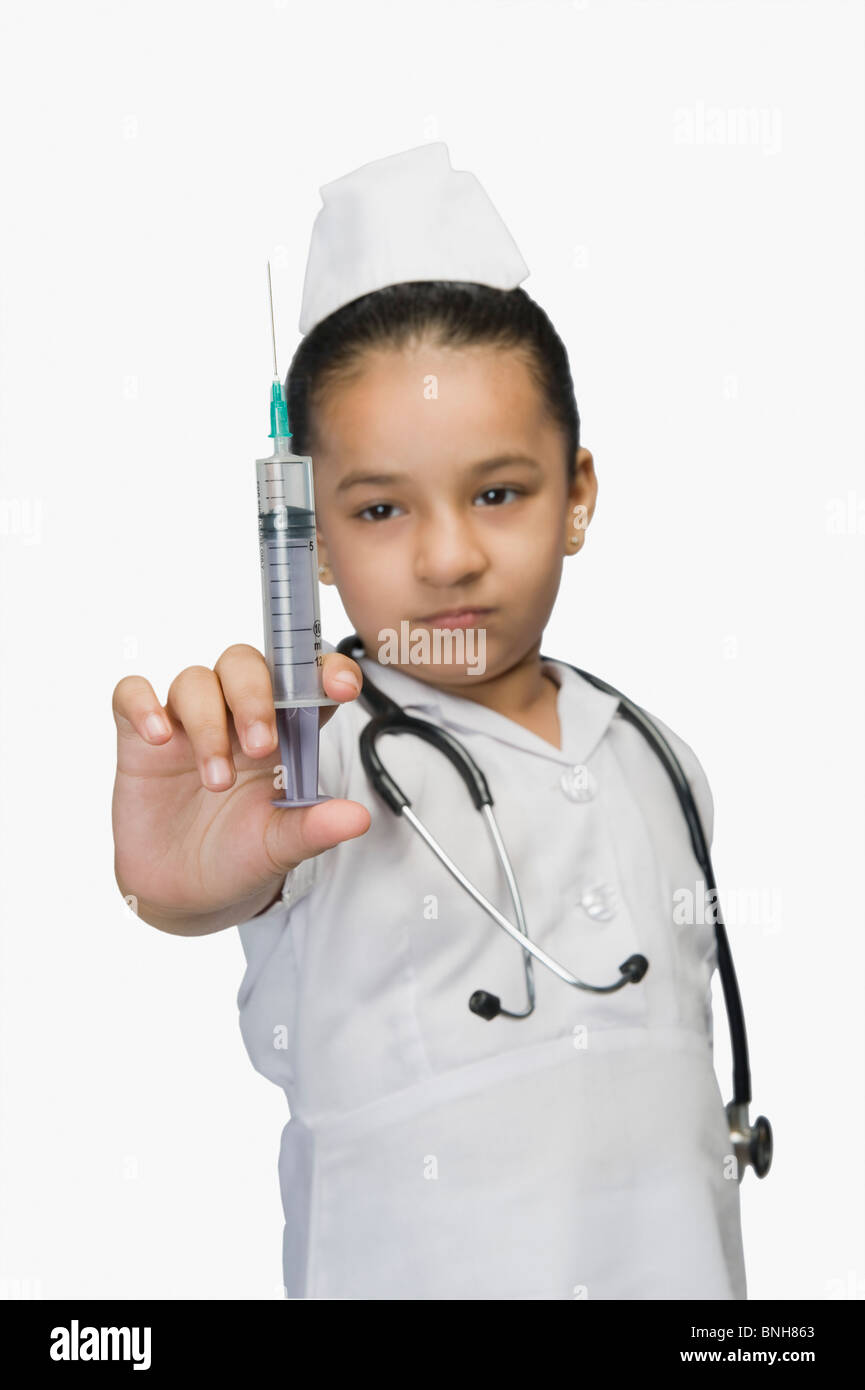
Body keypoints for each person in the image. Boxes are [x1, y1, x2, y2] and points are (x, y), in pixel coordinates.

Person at [111, 142, 747, 1300]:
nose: (450, 556)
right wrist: (177, 883)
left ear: (579, 494)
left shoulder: (661, 761)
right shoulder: (299, 761)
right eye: (380, 507)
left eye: (497, 492)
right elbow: (206, 884)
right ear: (306, 531)